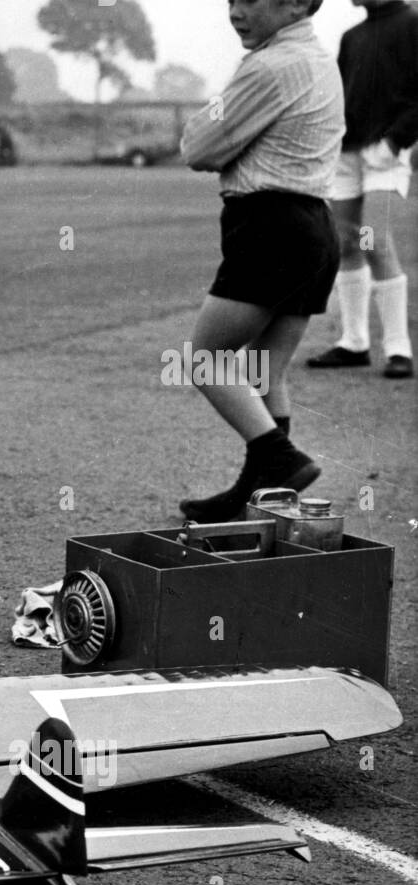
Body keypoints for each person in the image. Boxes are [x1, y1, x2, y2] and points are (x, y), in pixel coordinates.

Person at [174, 0, 343, 524]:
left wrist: (206, 126)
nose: (236, 11)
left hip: (270, 226)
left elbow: (199, 148)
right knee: (265, 369)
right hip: (315, 226)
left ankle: (277, 458)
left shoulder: (270, 66)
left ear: (296, 3)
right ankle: (266, 495)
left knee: (205, 357)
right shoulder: (315, 57)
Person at [305, 0, 417, 380]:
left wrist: (395, 141)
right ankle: (354, 343)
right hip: (347, 155)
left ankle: (398, 348)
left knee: (374, 241)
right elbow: (339, 99)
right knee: (346, 243)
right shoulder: (353, 37)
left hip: (384, 154)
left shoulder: (412, 24)